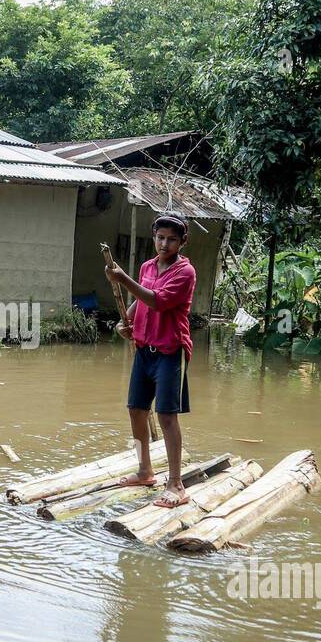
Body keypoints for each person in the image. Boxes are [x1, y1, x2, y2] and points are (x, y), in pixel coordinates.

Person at [104, 215, 197, 508]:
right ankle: (145, 471)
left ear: (182, 242)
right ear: (154, 237)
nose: (164, 244)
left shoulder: (186, 272)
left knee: (167, 416)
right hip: (144, 348)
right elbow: (141, 300)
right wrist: (125, 322)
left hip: (171, 350)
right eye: (160, 238)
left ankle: (176, 484)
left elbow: (157, 300)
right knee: (135, 409)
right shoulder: (147, 266)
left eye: (171, 239)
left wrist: (122, 279)